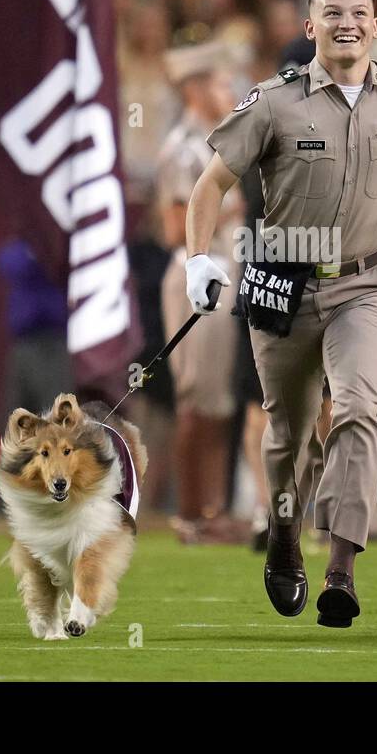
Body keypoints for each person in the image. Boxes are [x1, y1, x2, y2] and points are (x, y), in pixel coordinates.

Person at [184, 0, 377, 627]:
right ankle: (285, 538)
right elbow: (209, 186)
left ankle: (341, 567)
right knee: (288, 438)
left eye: (359, 12)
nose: (347, 23)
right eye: (333, 12)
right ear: (311, 25)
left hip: (367, 279)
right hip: (285, 279)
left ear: (375, 22)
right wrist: (198, 259)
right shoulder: (273, 102)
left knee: (358, 409)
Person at [155, 40, 245, 544]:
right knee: (197, 400)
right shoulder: (184, 147)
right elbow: (172, 230)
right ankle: (191, 514)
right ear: (194, 87)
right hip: (196, 278)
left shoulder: (219, 142)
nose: (229, 91)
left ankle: (210, 510)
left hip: (225, 275)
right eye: (219, 83)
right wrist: (228, 205)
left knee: (216, 401)